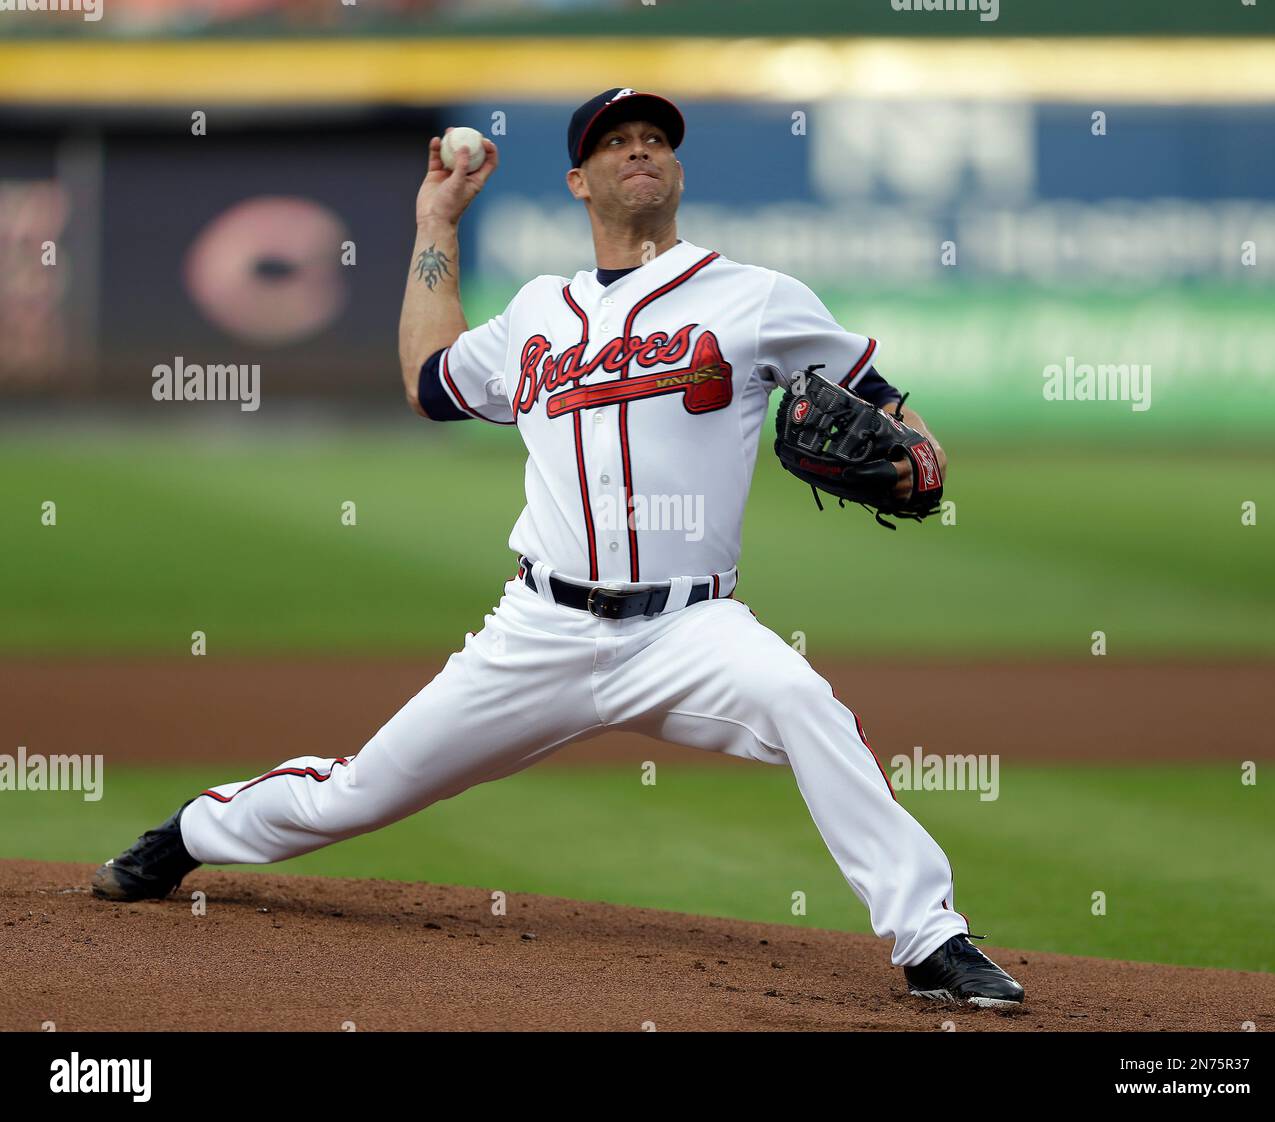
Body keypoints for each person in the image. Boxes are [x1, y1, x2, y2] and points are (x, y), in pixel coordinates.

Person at [92, 88, 1024, 1008]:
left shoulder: (756, 297)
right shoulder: (539, 311)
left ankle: (931, 940)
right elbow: (429, 382)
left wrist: (923, 465)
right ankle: (195, 831)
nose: (641, 151)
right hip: (538, 629)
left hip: (689, 631)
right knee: (357, 795)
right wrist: (436, 223)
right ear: (580, 180)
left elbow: (887, 403)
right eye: (617, 142)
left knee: (801, 701)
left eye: (656, 137)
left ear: (678, 168)